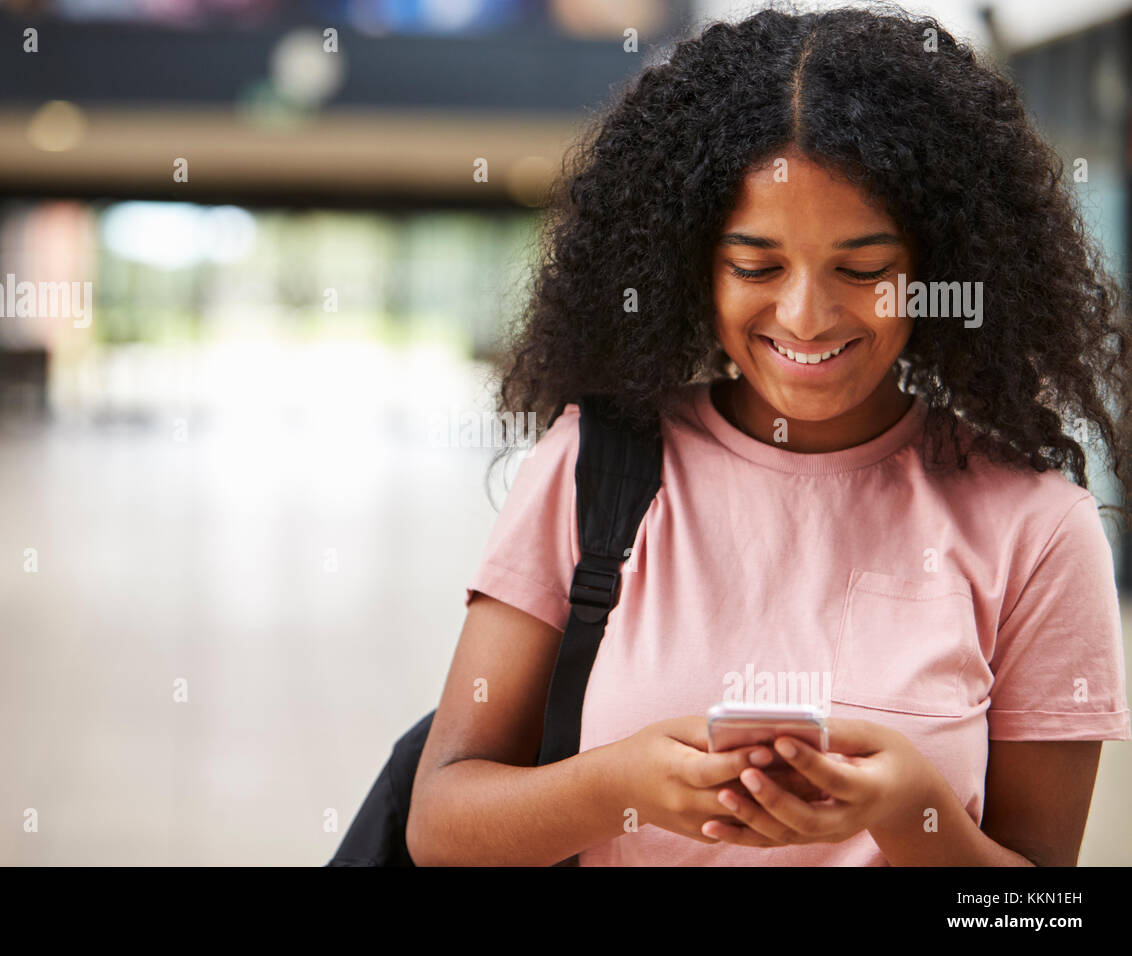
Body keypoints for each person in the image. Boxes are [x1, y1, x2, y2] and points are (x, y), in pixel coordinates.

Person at [405, 5, 1132, 866]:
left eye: (863, 269)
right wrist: (621, 786)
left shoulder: (1036, 529)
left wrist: (911, 812)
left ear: (938, 268)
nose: (806, 316)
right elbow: (439, 826)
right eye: (756, 266)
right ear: (689, 265)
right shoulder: (593, 467)